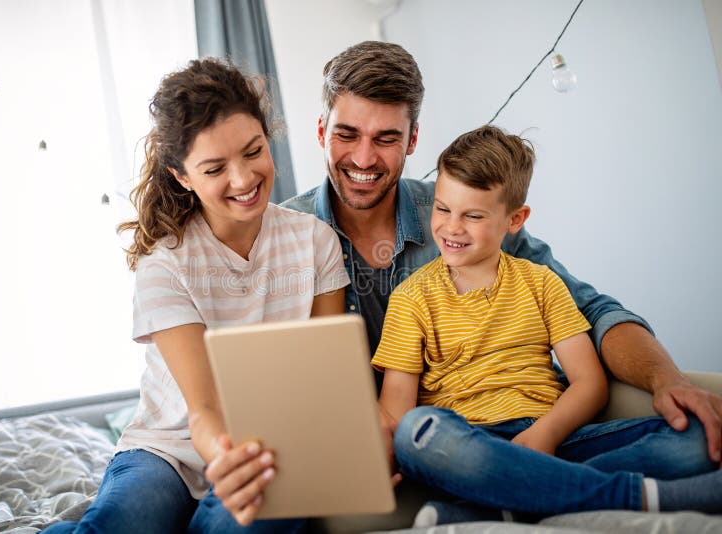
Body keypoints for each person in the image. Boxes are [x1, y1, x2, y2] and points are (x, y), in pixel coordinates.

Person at [281, 40, 721, 464]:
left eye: (385, 138)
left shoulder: (471, 213)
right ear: (321, 131)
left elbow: (593, 310)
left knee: (694, 438)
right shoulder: (281, 235)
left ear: (412, 140)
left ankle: (534, 484)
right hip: (428, 441)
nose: (363, 158)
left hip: (519, 423)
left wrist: (667, 380)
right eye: (347, 134)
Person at [43, 58, 348, 534]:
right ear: (182, 175)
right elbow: (203, 409)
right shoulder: (165, 262)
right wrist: (226, 458)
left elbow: (329, 379)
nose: (244, 179)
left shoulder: (316, 242)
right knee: (122, 524)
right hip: (169, 450)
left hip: (271, 451)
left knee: (253, 518)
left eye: (253, 152)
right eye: (215, 168)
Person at [372, 125, 720, 524]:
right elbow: (398, 412)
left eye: (473, 216)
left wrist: (547, 434)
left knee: (694, 439)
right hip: (469, 445)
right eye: (443, 208)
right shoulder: (411, 298)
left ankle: (496, 507)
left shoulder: (541, 282)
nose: (451, 228)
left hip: (553, 437)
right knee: (420, 431)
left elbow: (589, 383)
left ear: (515, 218)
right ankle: (632, 495)